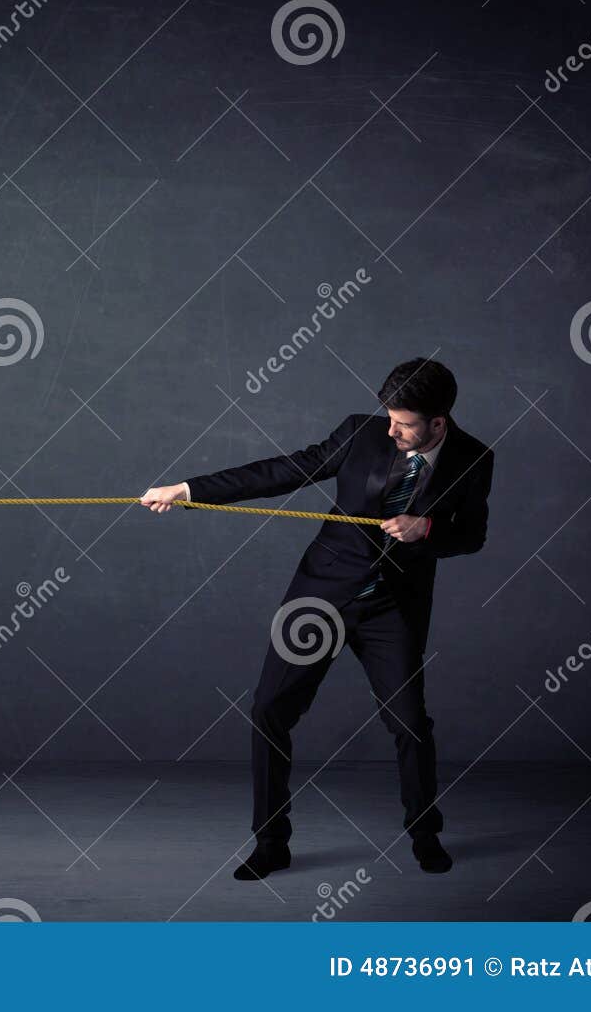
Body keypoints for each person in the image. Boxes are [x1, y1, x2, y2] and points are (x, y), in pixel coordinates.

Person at [141, 358, 493, 879]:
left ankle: (424, 832)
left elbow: (472, 535)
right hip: (320, 596)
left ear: (438, 422)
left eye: (404, 423)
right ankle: (271, 842)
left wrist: (428, 530)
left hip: (392, 609)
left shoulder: (474, 458)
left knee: (411, 724)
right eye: (389, 418)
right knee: (270, 710)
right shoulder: (361, 433)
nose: (391, 430)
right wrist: (188, 491)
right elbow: (282, 470)